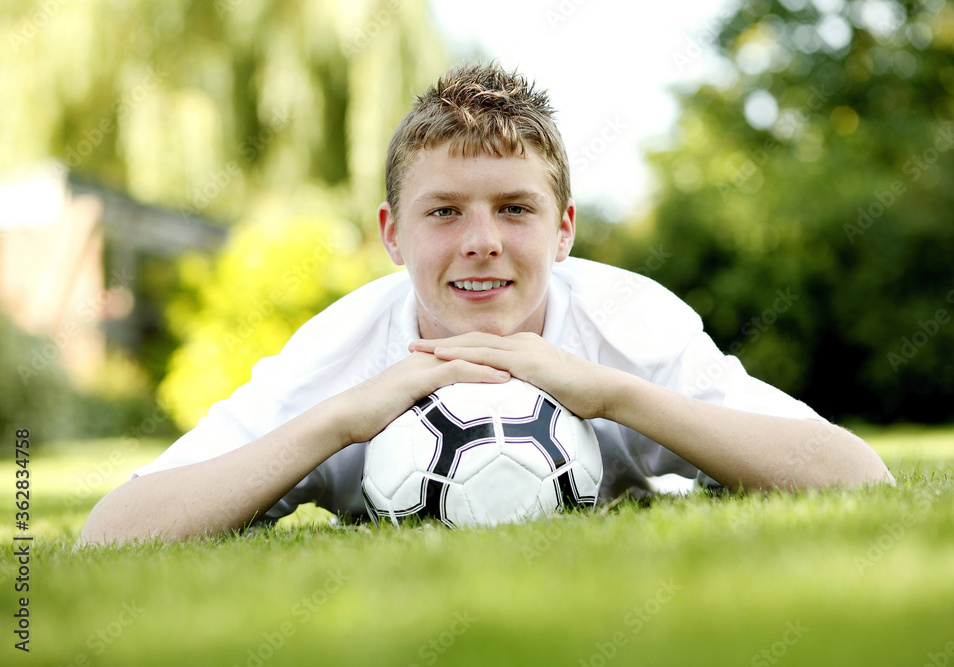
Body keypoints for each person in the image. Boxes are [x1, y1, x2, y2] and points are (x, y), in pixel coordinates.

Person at [79, 62, 893, 546]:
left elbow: (860, 477)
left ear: (564, 228)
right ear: (392, 234)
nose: (482, 241)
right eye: (444, 212)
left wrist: (612, 395)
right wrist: (342, 420)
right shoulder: (339, 350)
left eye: (514, 208)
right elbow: (111, 534)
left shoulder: (628, 320)